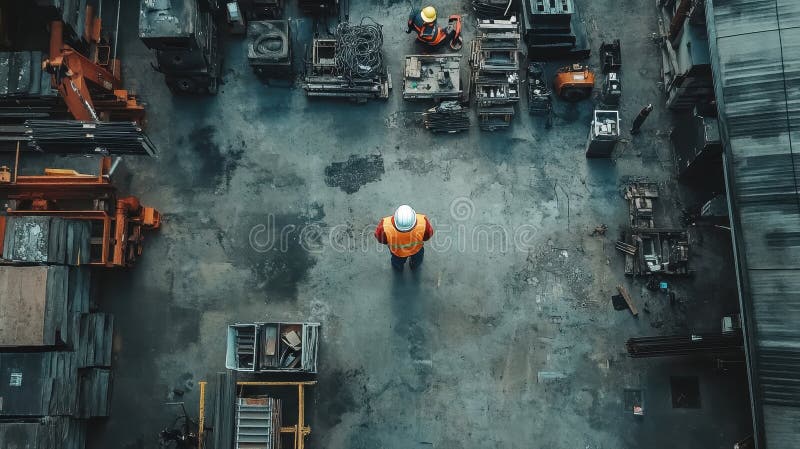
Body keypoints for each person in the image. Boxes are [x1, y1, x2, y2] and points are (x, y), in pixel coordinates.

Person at [375, 205, 434, 271]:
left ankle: (398, 269)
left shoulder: (385, 226)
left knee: (397, 263)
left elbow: (380, 238)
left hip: (398, 253)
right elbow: (427, 235)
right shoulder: (423, 221)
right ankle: (414, 267)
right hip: (416, 250)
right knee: (417, 261)